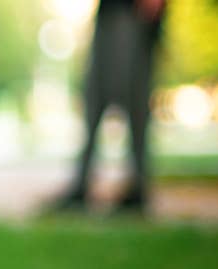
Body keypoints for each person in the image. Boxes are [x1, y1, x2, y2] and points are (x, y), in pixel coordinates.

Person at [53, 0, 166, 214]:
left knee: (134, 98)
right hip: (110, 11)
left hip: (131, 13)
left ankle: (137, 188)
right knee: (94, 97)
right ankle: (82, 184)